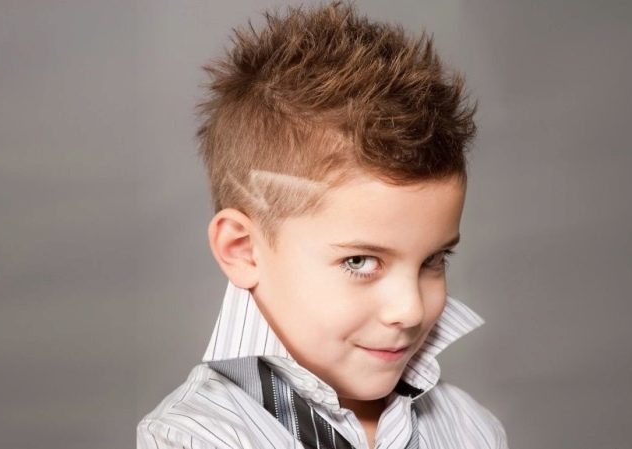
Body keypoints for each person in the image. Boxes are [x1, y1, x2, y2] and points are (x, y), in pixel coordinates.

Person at [137, 1, 509, 448]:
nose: (410, 309)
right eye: (359, 261)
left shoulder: (470, 428)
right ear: (242, 249)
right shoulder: (195, 437)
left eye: (434, 259)